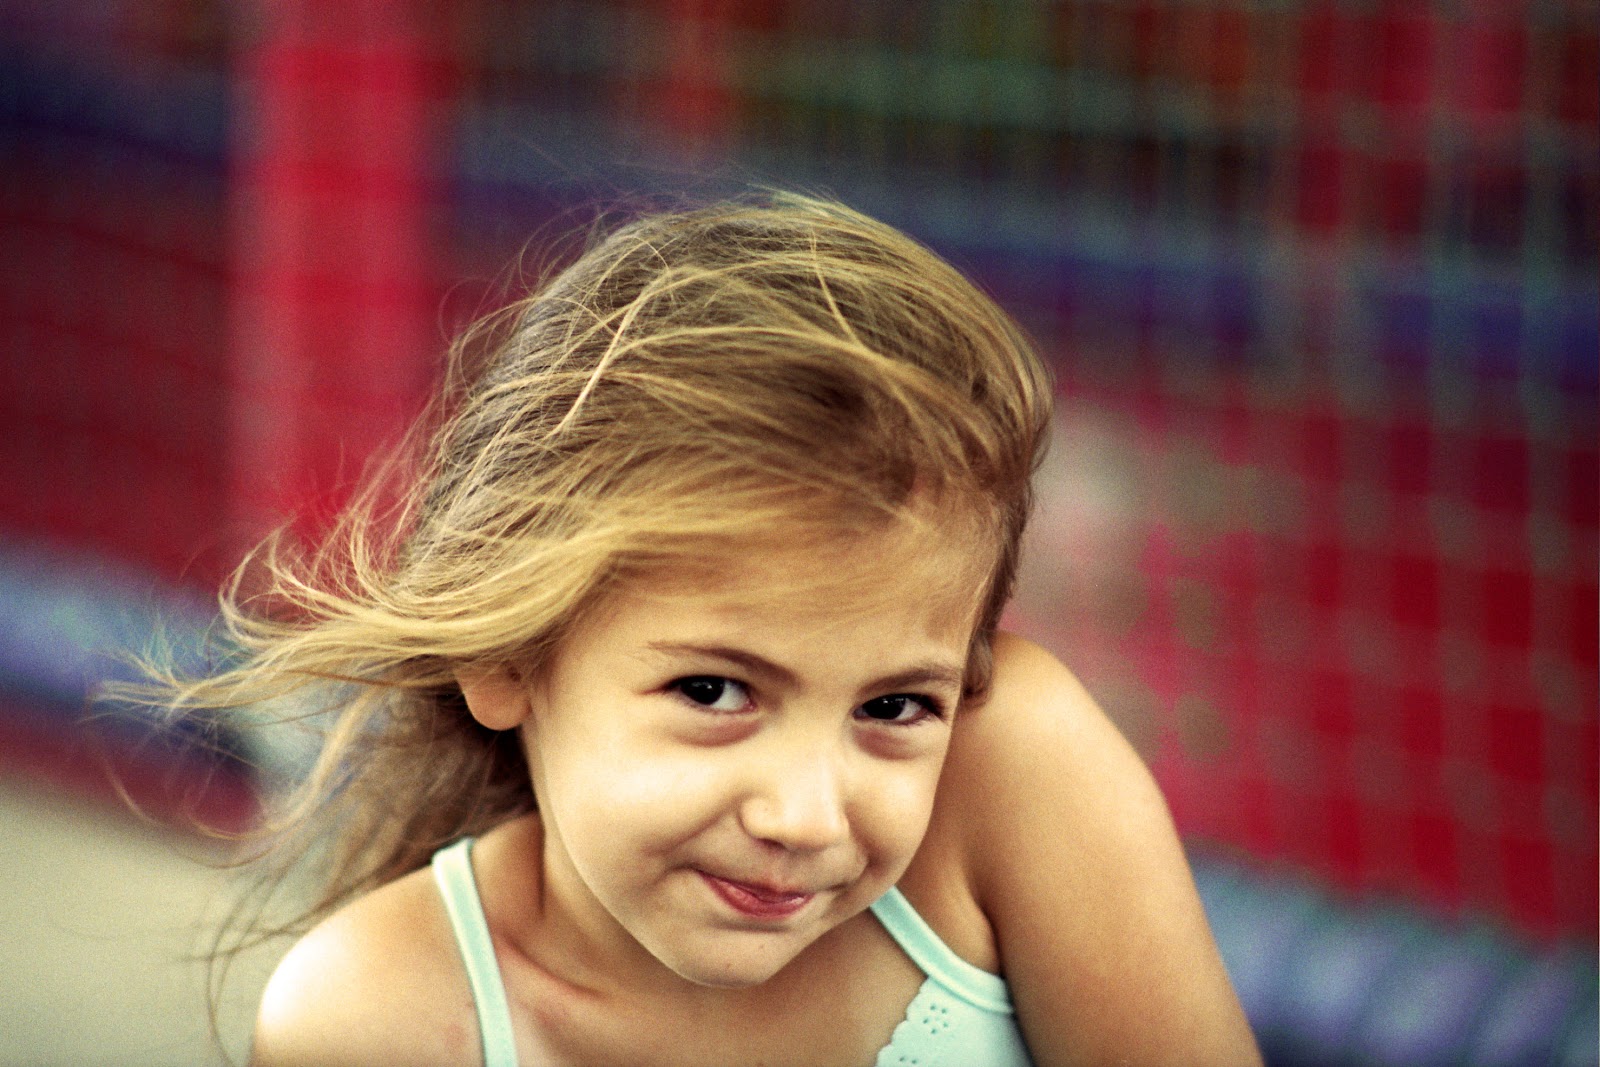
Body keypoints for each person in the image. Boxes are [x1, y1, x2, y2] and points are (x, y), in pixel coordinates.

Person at [170, 194, 1260, 1065]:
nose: (803, 816)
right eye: (713, 690)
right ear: (508, 657)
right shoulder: (379, 1019)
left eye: (891, 707)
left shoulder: (1014, 767)